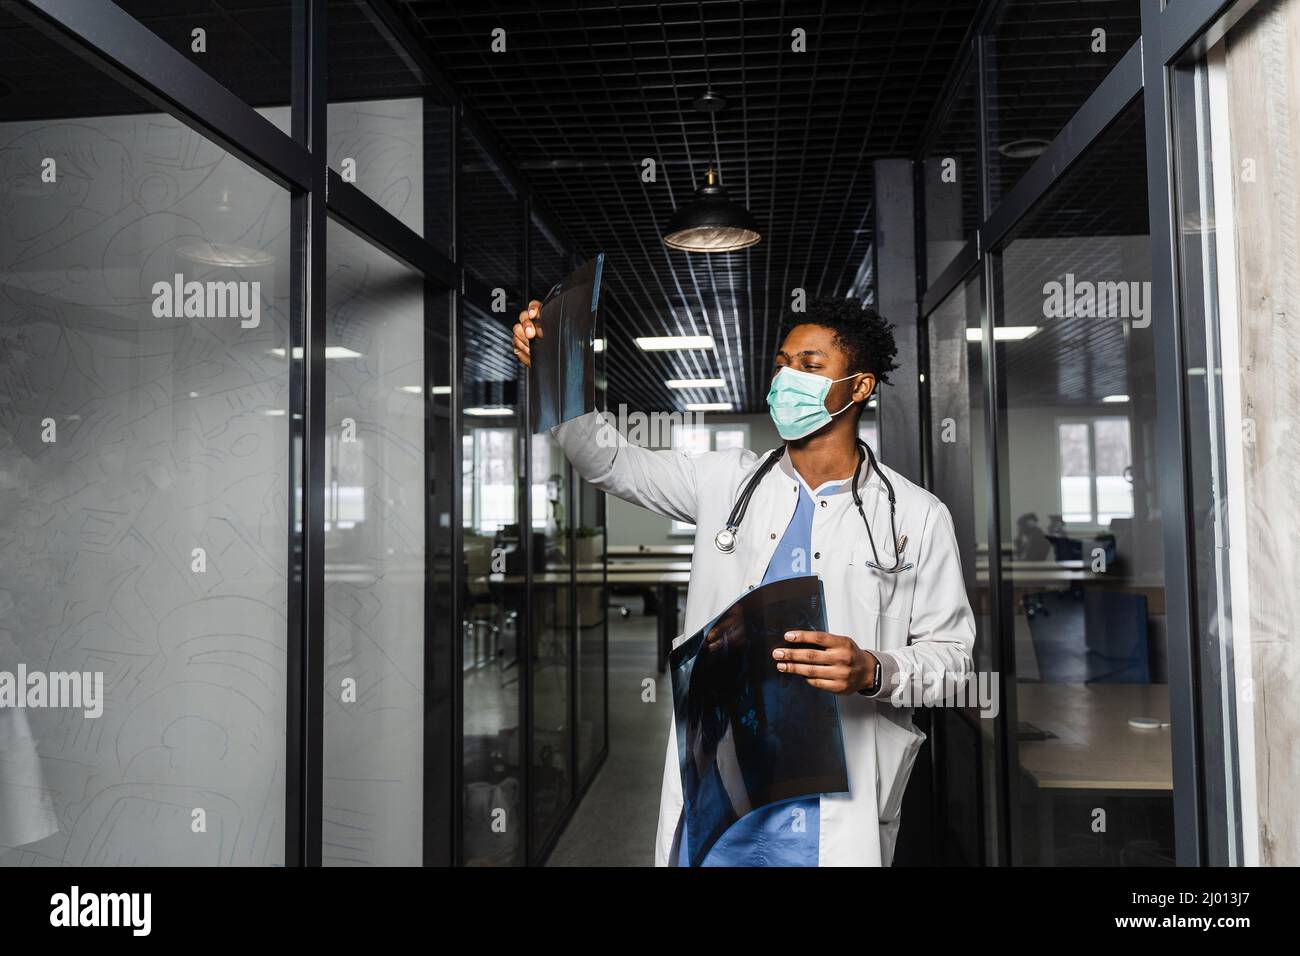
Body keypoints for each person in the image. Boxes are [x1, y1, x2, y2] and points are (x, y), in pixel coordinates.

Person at [511, 295, 976, 866]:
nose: (787, 378)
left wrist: (873, 669)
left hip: (832, 802)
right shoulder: (723, 479)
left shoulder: (916, 514)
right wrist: (558, 373)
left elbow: (954, 663)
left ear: (859, 388)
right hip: (723, 783)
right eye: (782, 363)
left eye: (810, 365)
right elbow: (610, 462)